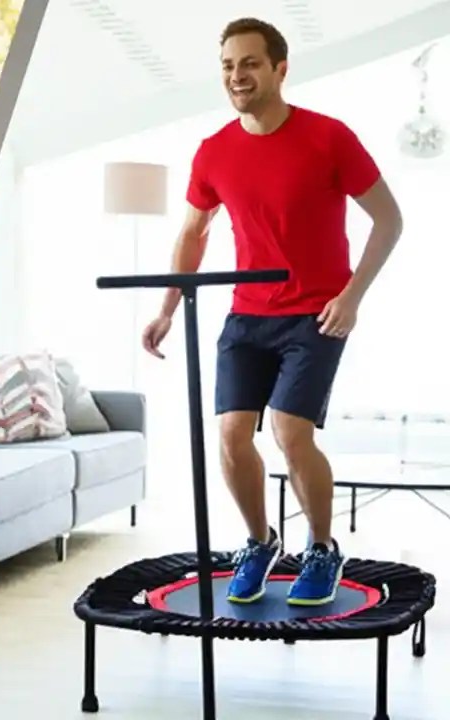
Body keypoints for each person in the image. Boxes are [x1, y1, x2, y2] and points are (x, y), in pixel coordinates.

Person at [141, 18, 402, 607]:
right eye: (228, 65)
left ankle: (322, 548)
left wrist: (352, 297)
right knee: (231, 436)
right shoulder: (213, 151)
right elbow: (193, 233)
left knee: (289, 429)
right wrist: (167, 309)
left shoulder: (329, 137)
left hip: (316, 315)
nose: (237, 75)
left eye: (250, 63)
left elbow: (389, 220)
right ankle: (260, 542)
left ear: (280, 69)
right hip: (247, 315)